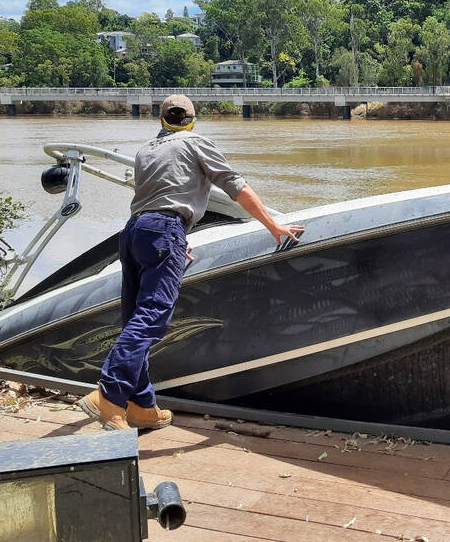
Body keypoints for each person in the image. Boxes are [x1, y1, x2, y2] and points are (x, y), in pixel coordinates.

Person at [78, 94, 304, 430]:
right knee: (152, 318)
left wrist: (173, 243)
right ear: (192, 120)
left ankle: (141, 407)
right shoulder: (196, 142)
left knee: (135, 320)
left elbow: (152, 199)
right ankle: (110, 394)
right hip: (165, 230)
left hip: (134, 233)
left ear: (161, 120)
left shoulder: (146, 151)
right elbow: (235, 186)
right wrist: (273, 225)